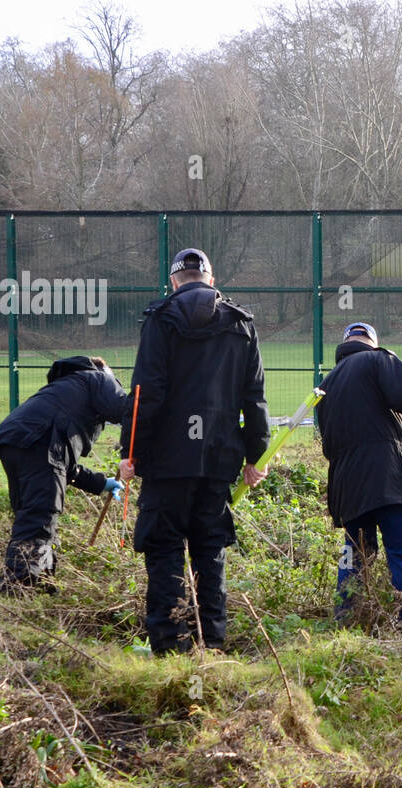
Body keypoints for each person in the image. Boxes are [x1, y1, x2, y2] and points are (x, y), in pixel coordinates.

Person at [119, 248, 269, 655]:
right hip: (219, 458)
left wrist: (129, 451)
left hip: (167, 460)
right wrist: (255, 455)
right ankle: (212, 643)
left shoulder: (160, 320)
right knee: (210, 550)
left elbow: (144, 394)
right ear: (211, 279)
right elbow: (254, 399)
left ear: (173, 282)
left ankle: (171, 646)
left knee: (165, 548)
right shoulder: (242, 326)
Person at [315, 322, 402, 632]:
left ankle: (345, 622)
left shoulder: (327, 383)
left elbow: (328, 442)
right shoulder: (380, 359)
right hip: (388, 476)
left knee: (354, 557)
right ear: (372, 342)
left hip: (347, 483)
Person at [0, 356, 128, 593]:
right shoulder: (99, 377)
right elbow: (125, 409)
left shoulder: (65, 388)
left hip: (14, 445)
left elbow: (64, 469)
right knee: (39, 518)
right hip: (41, 444)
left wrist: (102, 483)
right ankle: (18, 592)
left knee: (32, 515)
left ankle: (42, 587)